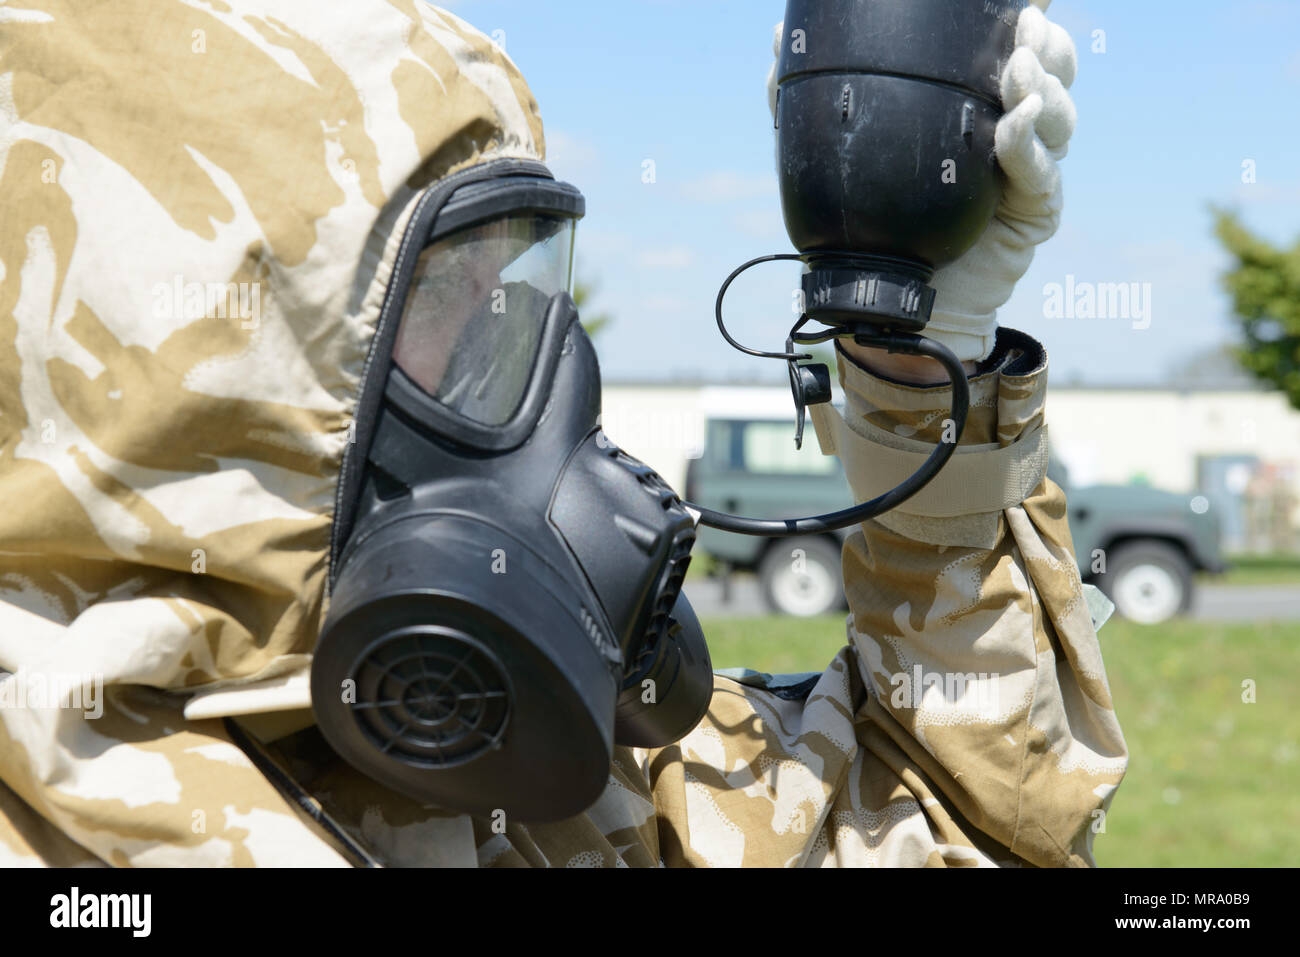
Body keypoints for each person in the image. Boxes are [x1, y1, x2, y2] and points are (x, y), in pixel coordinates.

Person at [0, 0, 1126, 867]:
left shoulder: (543, 796)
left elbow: (961, 827)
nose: (548, 382)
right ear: (187, 369)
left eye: (523, 295)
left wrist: (917, 353)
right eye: (449, 301)